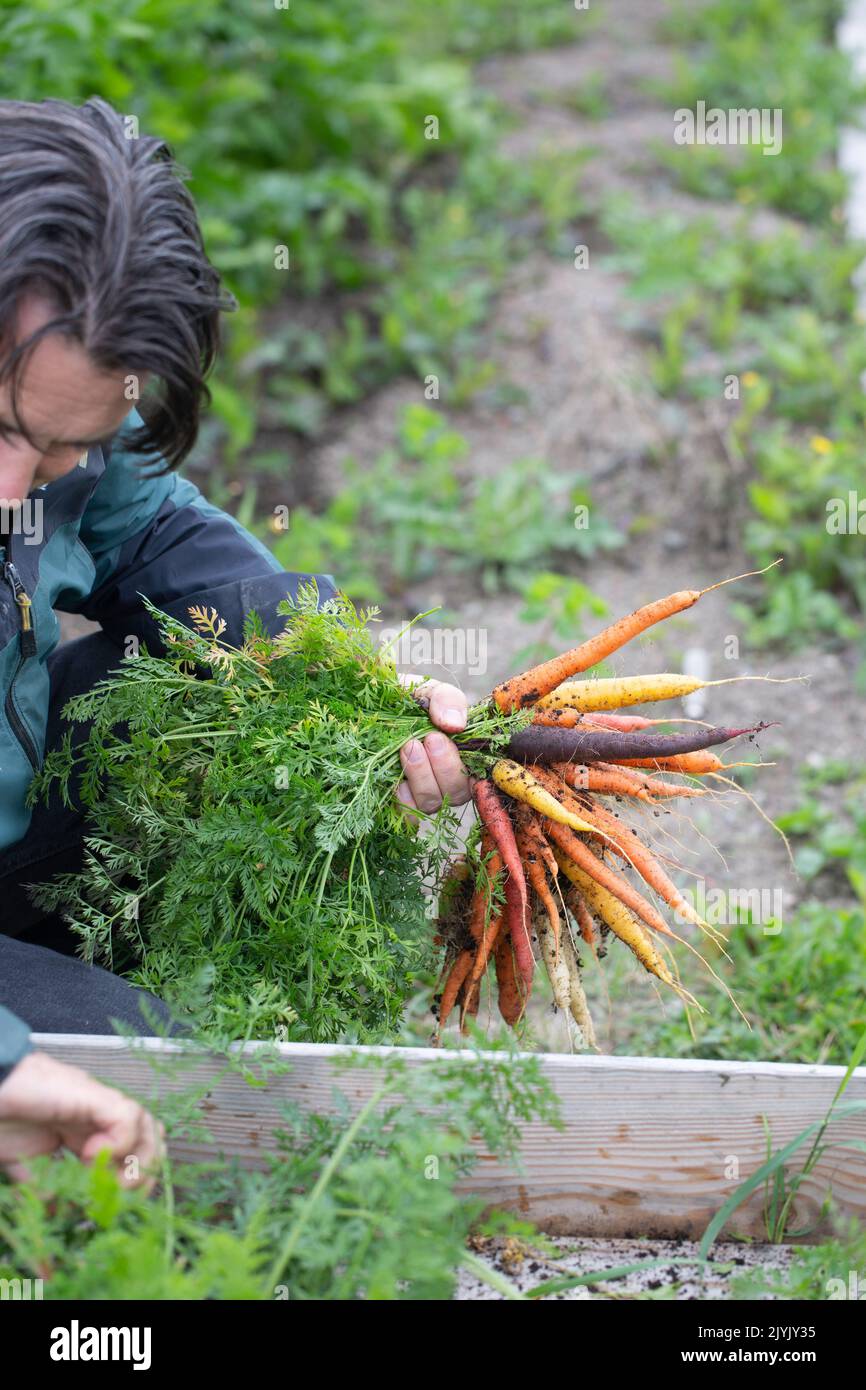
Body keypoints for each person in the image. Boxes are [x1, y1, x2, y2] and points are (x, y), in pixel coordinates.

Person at [0, 96, 471, 1182]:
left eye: (65, 448)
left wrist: (332, 677)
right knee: (165, 1084)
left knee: (165, 688)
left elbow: (161, 534)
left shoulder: (68, 395)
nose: (17, 494)